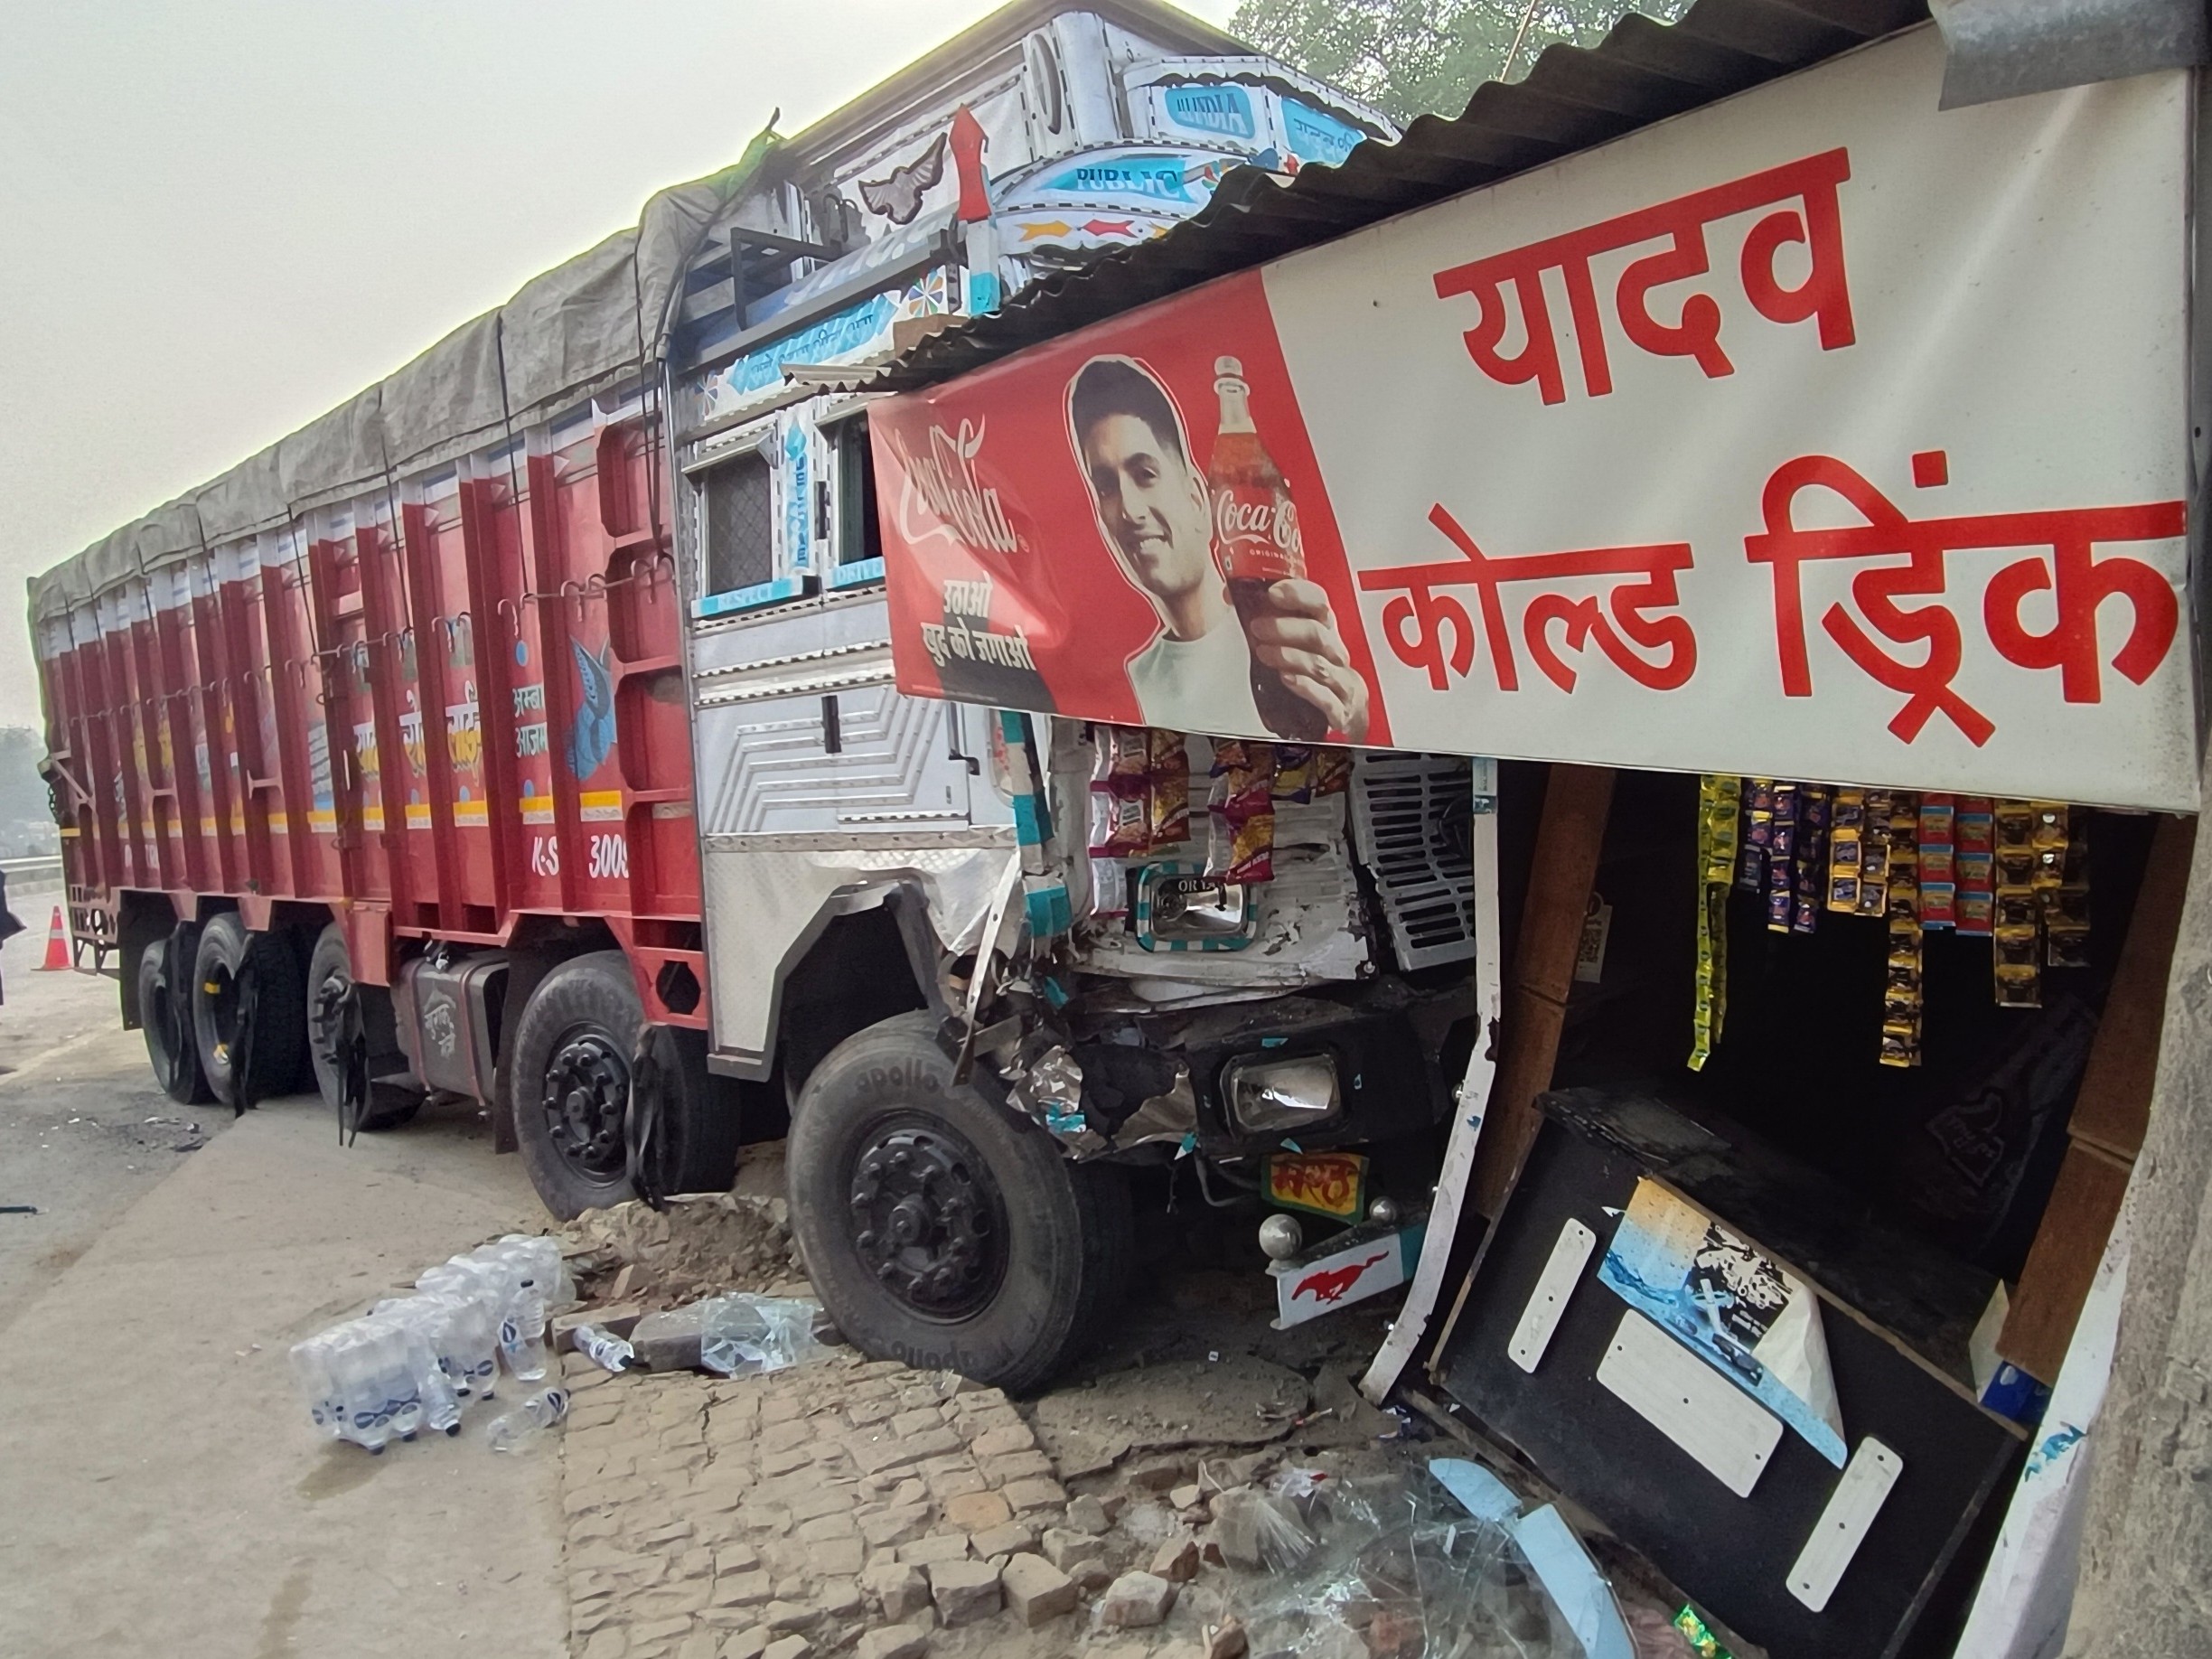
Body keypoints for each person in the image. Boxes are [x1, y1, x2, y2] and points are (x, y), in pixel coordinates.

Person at [1066, 356, 1368, 739]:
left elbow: (1348, 726)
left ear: (1196, 496)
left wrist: (1355, 719)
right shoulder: (1134, 679)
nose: (1130, 510)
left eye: (1145, 475)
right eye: (1107, 486)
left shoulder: (1284, 635)